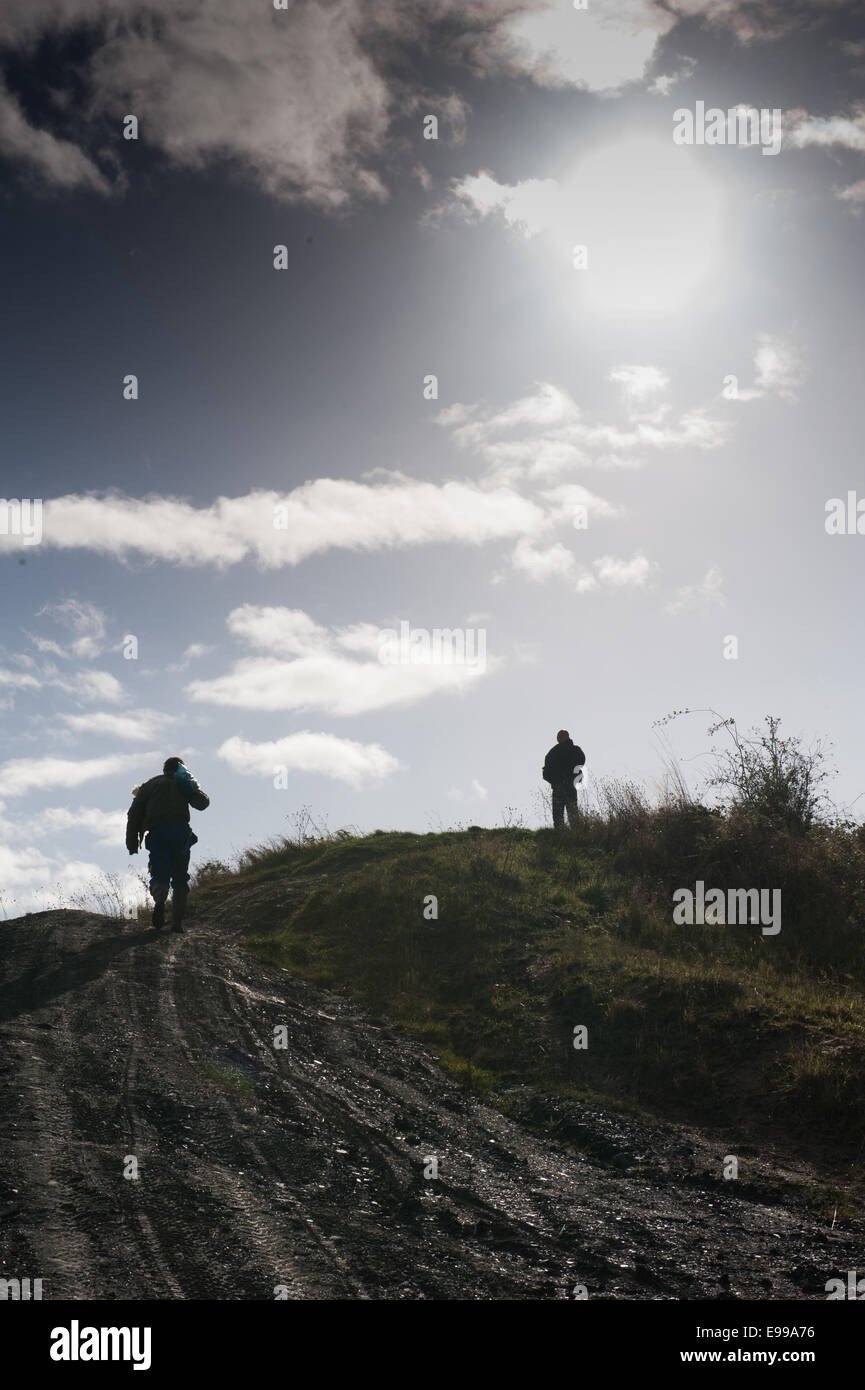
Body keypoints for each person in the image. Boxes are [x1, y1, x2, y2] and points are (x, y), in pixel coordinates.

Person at [126, 757, 210, 932]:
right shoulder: (183, 783)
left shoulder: (149, 785)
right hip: (181, 833)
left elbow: (134, 814)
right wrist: (192, 784)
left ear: (164, 769)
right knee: (180, 876)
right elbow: (202, 804)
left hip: (157, 833)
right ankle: (177, 923)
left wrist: (132, 842)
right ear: (180, 768)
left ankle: (159, 903)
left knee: (159, 870)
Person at [542, 730, 586, 830]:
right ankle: (576, 834)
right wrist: (574, 777)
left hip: (558, 786)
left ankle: (560, 835)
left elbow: (547, 771)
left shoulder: (553, 752)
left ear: (560, 738)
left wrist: (554, 780)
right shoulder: (576, 750)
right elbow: (581, 763)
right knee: (572, 812)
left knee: (558, 815)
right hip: (570, 785)